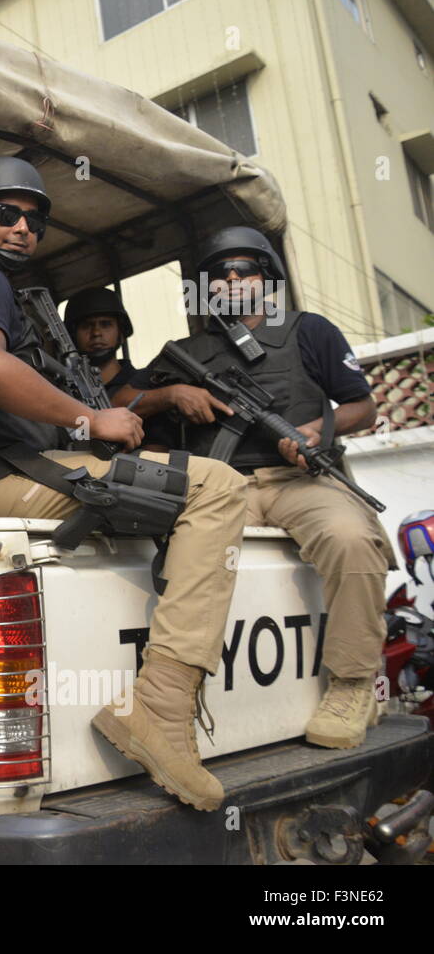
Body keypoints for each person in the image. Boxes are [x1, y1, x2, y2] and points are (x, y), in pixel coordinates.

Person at [0, 155, 249, 811]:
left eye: (35, 219)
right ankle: (161, 713)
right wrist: (92, 417)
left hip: (22, 467)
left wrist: (89, 423)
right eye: (6, 213)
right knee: (221, 488)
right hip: (9, 475)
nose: (23, 228)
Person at [128, 225, 394, 750]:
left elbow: (363, 405)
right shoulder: (184, 352)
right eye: (219, 272)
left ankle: (353, 682)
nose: (231, 278)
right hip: (223, 487)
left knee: (351, 538)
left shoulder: (309, 332)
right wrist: (173, 395)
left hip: (299, 479)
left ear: (267, 277)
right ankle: (173, 695)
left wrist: (321, 431)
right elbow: (120, 406)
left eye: (244, 268)